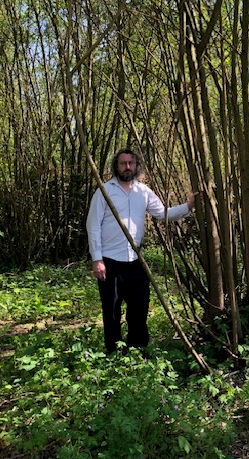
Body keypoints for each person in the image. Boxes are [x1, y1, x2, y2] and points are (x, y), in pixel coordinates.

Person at [86, 148, 197, 353]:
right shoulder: (104, 191)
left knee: (140, 304)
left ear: (136, 166)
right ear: (116, 166)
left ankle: (137, 348)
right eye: (123, 163)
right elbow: (92, 225)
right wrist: (97, 259)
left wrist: (188, 206)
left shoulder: (143, 191)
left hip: (135, 260)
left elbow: (163, 213)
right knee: (111, 309)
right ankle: (115, 351)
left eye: (131, 163)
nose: (127, 167)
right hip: (110, 260)